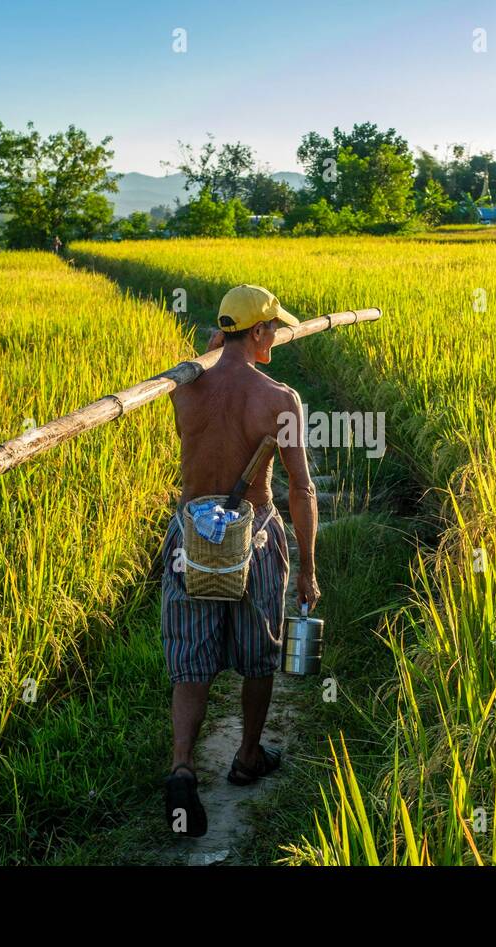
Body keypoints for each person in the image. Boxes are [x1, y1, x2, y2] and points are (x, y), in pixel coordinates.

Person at [161, 284, 321, 837]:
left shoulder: (183, 385)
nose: (276, 334)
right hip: (252, 539)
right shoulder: (279, 399)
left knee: (190, 656)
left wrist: (212, 352)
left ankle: (183, 763)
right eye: (273, 328)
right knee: (258, 653)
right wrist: (307, 568)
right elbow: (301, 490)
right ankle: (248, 754)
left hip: (191, 537)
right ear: (256, 333)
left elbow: (210, 415)